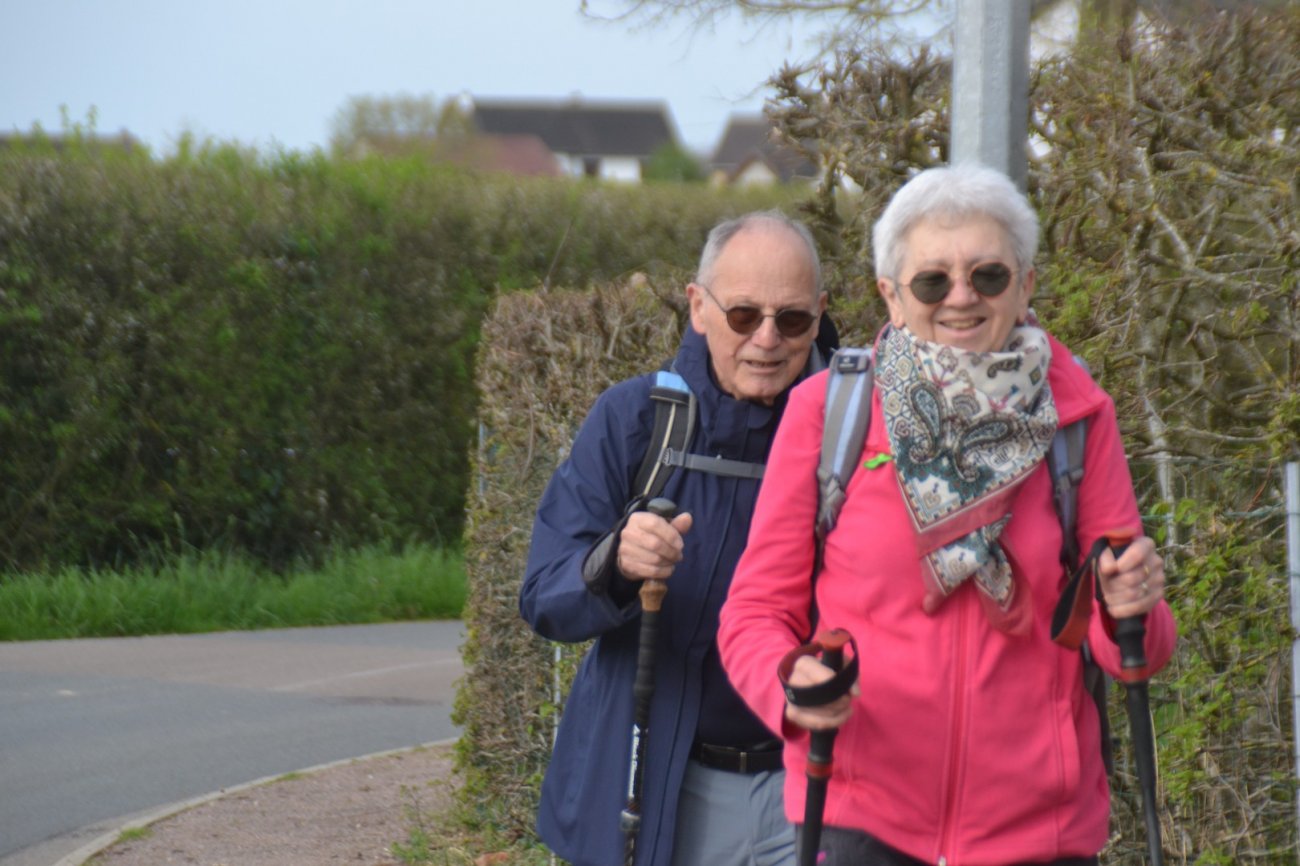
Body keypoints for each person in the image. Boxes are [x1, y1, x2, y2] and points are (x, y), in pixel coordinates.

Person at [718, 164, 1177, 866]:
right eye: (933, 281)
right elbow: (754, 612)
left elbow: (1136, 645)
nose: (961, 297)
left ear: (1024, 286)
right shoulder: (828, 413)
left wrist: (1130, 603)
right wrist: (793, 686)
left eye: (988, 276)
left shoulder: (1078, 416)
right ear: (892, 298)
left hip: (1039, 837)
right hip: (858, 820)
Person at [519, 210, 838, 866]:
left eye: (794, 320)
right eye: (744, 315)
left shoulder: (852, 433)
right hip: (667, 782)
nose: (768, 340)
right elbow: (544, 595)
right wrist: (614, 564)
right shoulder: (635, 422)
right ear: (698, 308)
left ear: (821, 313)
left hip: (817, 785)